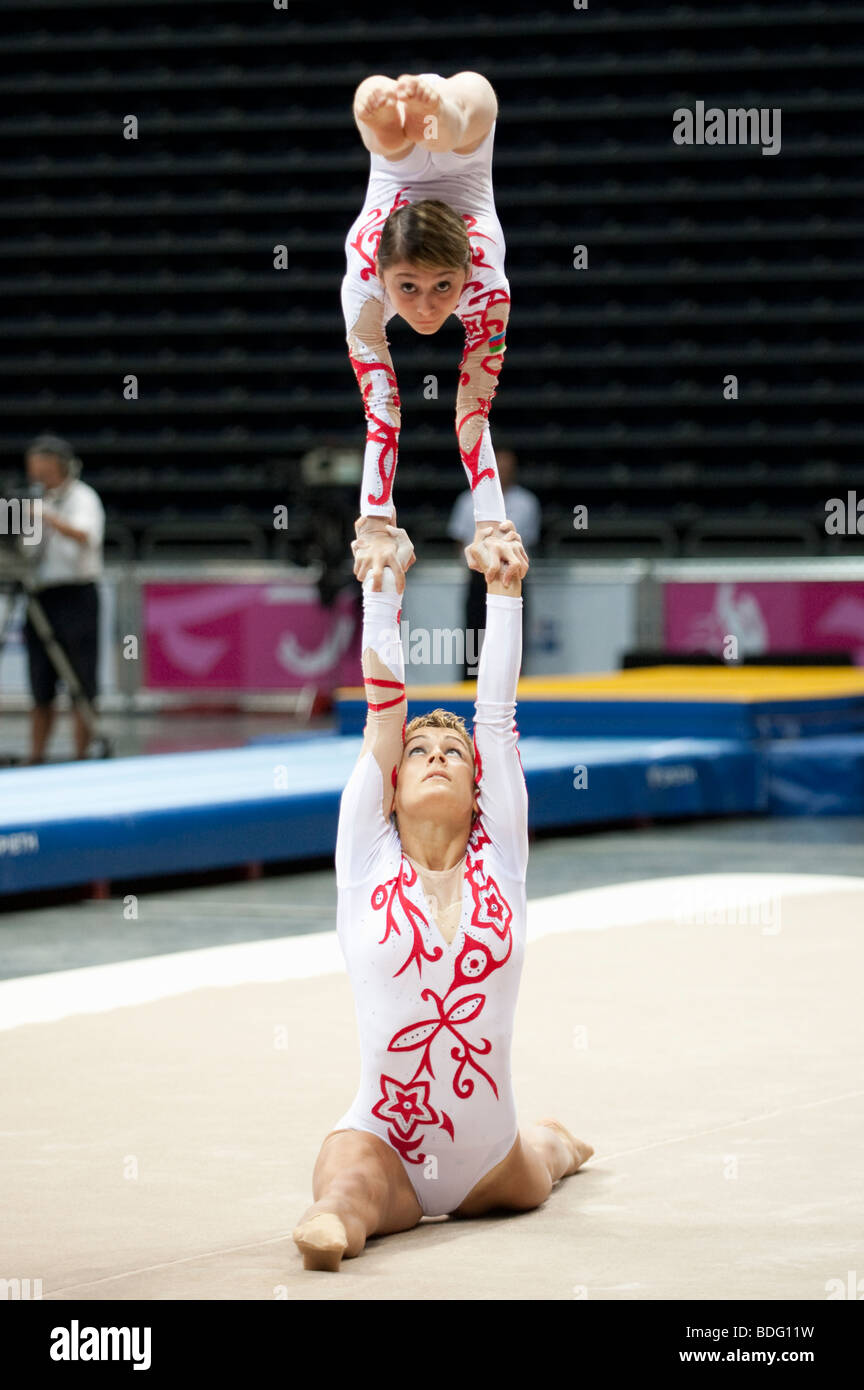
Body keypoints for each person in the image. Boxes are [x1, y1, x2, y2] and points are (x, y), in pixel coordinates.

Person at [291, 515, 593, 1271]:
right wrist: (381, 588)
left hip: (493, 1161)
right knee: (346, 1195)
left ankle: (554, 1142)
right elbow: (382, 716)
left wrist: (504, 589)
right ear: (389, 792)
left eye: (452, 753)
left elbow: (497, 717)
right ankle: (334, 1218)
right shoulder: (366, 858)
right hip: (385, 1144)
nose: (433, 757)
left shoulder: (502, 858)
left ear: (478, 788)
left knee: (542, 1163)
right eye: (419, 752)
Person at [343, 71, 517, 587]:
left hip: (409, 161)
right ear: (381, 275)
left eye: (444, 286)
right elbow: (383, 409)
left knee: (399, 137)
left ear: (466, 271)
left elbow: (473, 409)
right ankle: (415, 113)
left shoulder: (486, 285)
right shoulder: (364, 281)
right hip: (464, 149)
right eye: (408, 287)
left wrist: (492, 523)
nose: (425, 306)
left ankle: (399, 115)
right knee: (449, 127)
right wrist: (373, 523)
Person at [21, 434, 104, 762]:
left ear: (60, 466)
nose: (36, 474)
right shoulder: (32, 501)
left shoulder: (83, 497)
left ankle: (82, 754)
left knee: (81, 679)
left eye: (42, 468)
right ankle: (36, 755)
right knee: (40, 680)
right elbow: (25, 550)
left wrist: (46, 515)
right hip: (41, 596)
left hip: (76, 595)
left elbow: (85, 535)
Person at [448, 446, 541, 680]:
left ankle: (512, 683)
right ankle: (470, 684)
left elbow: (528, 540)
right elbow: (460, 540)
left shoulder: (526, 502)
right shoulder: (467, 500)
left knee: (511, 632)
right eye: (498, 466)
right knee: (475, 631)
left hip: (512, 573)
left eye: (507, 467)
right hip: (478, 576)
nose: (502, 471)